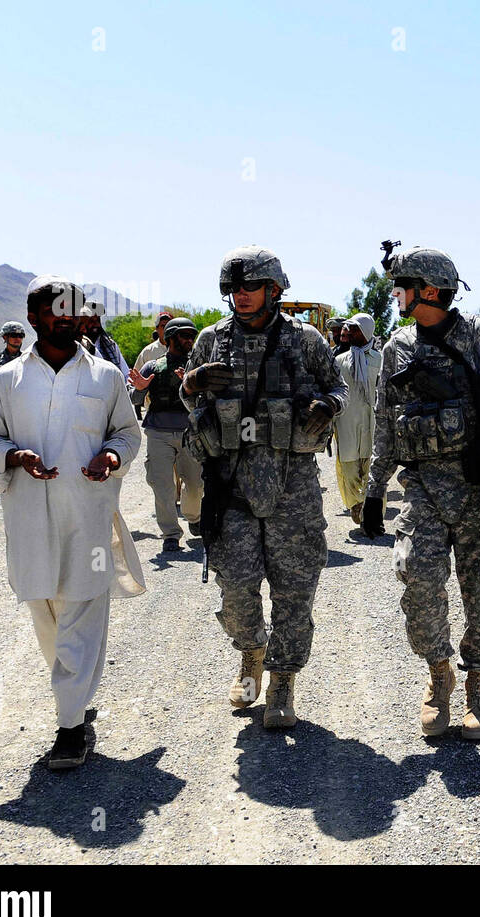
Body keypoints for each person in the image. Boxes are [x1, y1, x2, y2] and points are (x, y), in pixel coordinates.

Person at [360, 245, 480, 740]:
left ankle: (478, 684)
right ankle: (438, 674)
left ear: (430, 291)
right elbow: (384, 420)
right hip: (421, 486)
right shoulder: (396, 346)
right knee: (418, 579)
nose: (396, 294)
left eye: (403, 286)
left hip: (476, 486)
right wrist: (374, 490)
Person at [0, 275, 144, 770]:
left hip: (87, 518)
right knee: (46, 614)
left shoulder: (106, 376)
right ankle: (78, 700)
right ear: (33, 318)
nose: (65, 316)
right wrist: (13, 455)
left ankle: (69, 730)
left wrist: (111, 455)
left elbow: (128, 435)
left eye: (72, 308)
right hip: (28, 520)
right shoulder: (7, 381)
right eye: (54, 309)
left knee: (81, 612)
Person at [182, 246, 347, 730]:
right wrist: (191, 384)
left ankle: (281, 683)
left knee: (295, 591)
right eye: (233, 288)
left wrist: (327, 407)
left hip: (292, 482)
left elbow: (337, 388)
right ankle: (250, 653)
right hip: (231, 485)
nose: (240, 296)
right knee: (235, 591)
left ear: (274, 290)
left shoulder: (307, 340)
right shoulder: (211, 341)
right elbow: (188, 400)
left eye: (250, 287)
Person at [128, 317, 204, 552]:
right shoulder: (152, 366)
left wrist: (191, 387)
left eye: (192, 335)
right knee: (162, 485)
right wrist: (140, 389)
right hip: (158, 433)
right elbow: (134, 399)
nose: (189, 340)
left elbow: (207, 403)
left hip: (189, 433)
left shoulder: (197, 370)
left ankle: (194, 517)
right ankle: (170, 534)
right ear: (171, 338)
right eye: (184, 336)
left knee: (195, 485)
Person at [332, 313, 381, 526]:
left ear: (366, 331)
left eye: (354, 329)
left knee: (373, 469)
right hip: (347, 421)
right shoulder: (339, 362)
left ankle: (373, 514)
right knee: (349, 467)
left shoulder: (381, 360)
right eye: (348, 328)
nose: (348, 332)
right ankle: (355, 504)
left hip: (373, 422)